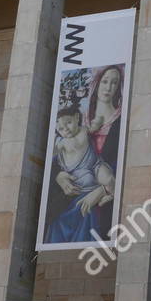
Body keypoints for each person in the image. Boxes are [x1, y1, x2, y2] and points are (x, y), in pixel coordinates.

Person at [46, 104, 114, 243]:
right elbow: (51, 156)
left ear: (77, 118)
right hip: (77, 173)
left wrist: (98, 121)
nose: (66, 130)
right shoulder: (62, 142)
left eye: (69, 123)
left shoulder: (84, 130)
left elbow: (94, 127)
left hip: (94, 165)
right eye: (61, 128)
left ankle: (110, 194)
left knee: (108, 178)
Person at [85, 65, 123, 159]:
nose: (108, 88)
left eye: (114, 83)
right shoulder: (83, 119)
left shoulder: (119, 120)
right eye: (105, 81)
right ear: (97, 83)